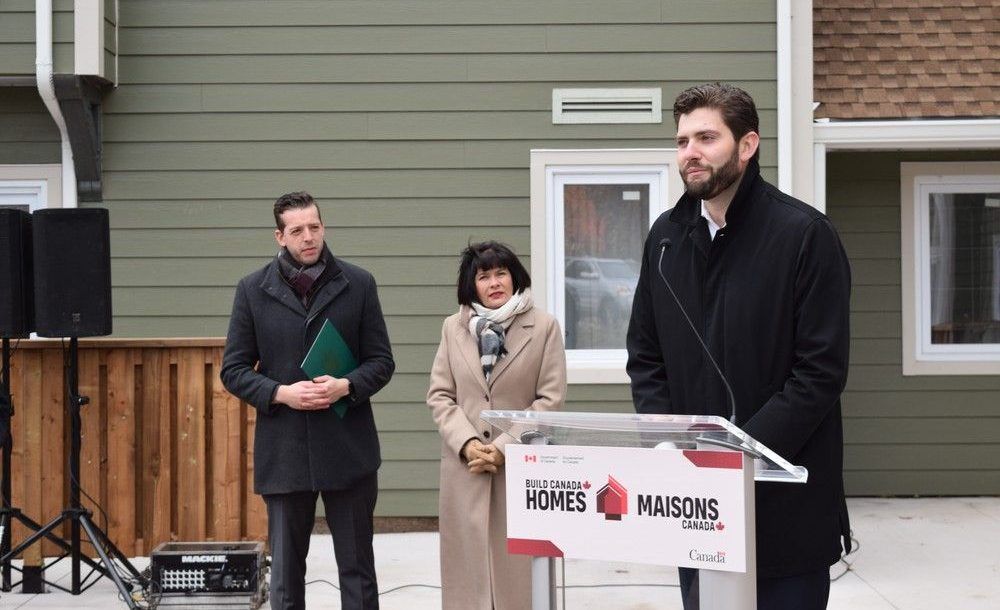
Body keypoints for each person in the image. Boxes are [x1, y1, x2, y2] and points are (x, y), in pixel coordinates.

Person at [626, 83, 852, 610]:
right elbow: (646, 354)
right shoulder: (666, 239)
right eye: (682, 141)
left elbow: (819, 372)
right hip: (696, 510)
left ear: (747, 145)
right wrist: (665, 442)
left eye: (706, 138)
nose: (690, 152)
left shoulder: (803, 235)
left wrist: (737, 455)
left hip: (784, 511)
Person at [221, 191, 395, 610]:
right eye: (297, 230)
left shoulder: (359, 283)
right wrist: (281, 393)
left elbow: (381, 362)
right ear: (279, 236)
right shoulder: (252, 290)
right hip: (285, 452)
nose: (308, 237)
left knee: (358, 572)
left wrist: (345, 386)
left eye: (314, 227)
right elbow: (234, 370)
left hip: (349, 449)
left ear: (323, 227)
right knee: (284, 579)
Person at [427, 241, 567, 610]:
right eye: (484, 276)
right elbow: (440, 396)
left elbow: (549, 400)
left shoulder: (544, 327)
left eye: (501, 273)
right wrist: (468, 443)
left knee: (519, 583)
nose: (494, 283)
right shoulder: (452, 328)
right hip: (466, 469)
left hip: (521, 469)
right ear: (471, 285)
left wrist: (503, 447)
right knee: (468, 584)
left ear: (514, 277)